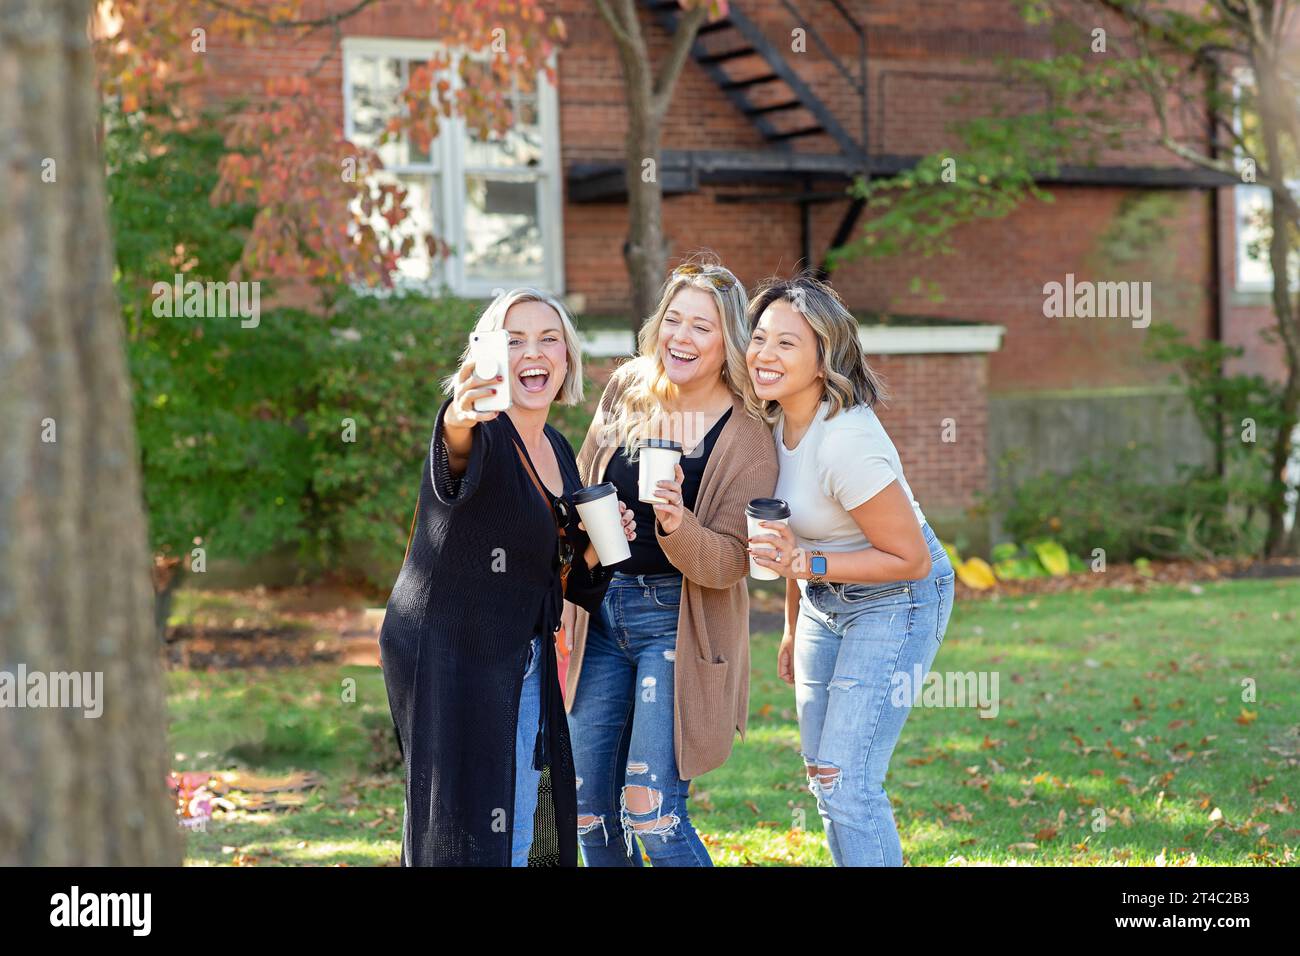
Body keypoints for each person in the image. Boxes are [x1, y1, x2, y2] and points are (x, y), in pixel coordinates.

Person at [379, 288, 635, 867]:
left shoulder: (558, 449)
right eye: (514, 341)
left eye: (549, 339)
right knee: (470, 821)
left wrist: (598, 545)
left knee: (510, 818)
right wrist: (459, 416)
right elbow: (453, 461)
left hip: (519, 648)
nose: (533, 353)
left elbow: (558, 576)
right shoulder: (483, 430)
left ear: (567, 356)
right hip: (451, 649)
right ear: (490, 354)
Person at [563, 257, 778, 866]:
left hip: (677, 623)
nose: (681, 337)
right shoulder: (628, 388)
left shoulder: (746, 433)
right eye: (673, 320)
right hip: (600, 614)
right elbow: (581, 477)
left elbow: (732, 561)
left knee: (651, 812)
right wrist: (595, 517)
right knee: (587, 813)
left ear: (728, 342)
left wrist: (678, 524)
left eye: (702, 327)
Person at [744, 272, 956, 867]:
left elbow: (909, 559)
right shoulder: (769, 424)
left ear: (823, 359)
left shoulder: (846, 440)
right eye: (759, 337)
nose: (765, 353)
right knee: (824, 776)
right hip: (822, 598)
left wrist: (805, 563)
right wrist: (793, 625)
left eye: (787, 343)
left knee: (848, 781)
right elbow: (796, 535)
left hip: (899, 597)